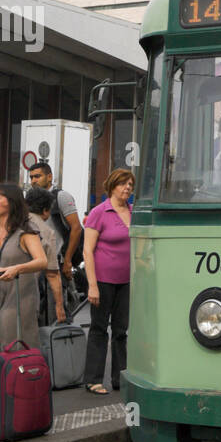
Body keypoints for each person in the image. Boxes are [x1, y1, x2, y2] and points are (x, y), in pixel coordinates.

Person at [0, 184, 46, 353]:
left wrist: (17, 268)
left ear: (11, 203)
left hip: (19, 297)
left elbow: (42, 261)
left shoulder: (26, 231)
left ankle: (13, 377)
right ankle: (10, 378)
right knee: (1, 347)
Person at [82, 168, 134, 394]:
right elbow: (87, 250)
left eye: (131, 184)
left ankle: (119, 378)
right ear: (112, 186)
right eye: (123, 184)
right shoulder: (99, 212)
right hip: (102, 280)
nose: (128, 188)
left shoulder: (134, 212)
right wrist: (92, 285)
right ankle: (93, 379)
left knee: (122, 331)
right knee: (99, 328)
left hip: (127, 281)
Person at [28, 162, 84, 287]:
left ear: (49, 177)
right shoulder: (30, 198)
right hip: (37, 260)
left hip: (58, 260)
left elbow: (76, 228)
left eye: (37, 176)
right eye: (31, 177)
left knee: (57, 301)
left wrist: (68, 260)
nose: (33, 181)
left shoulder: (61, 196)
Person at [24, 187, 68, 326]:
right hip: (28, 293)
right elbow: (53, 274)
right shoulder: (47, 232)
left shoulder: (10, 223)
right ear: (45, 210)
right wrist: (59, 306)